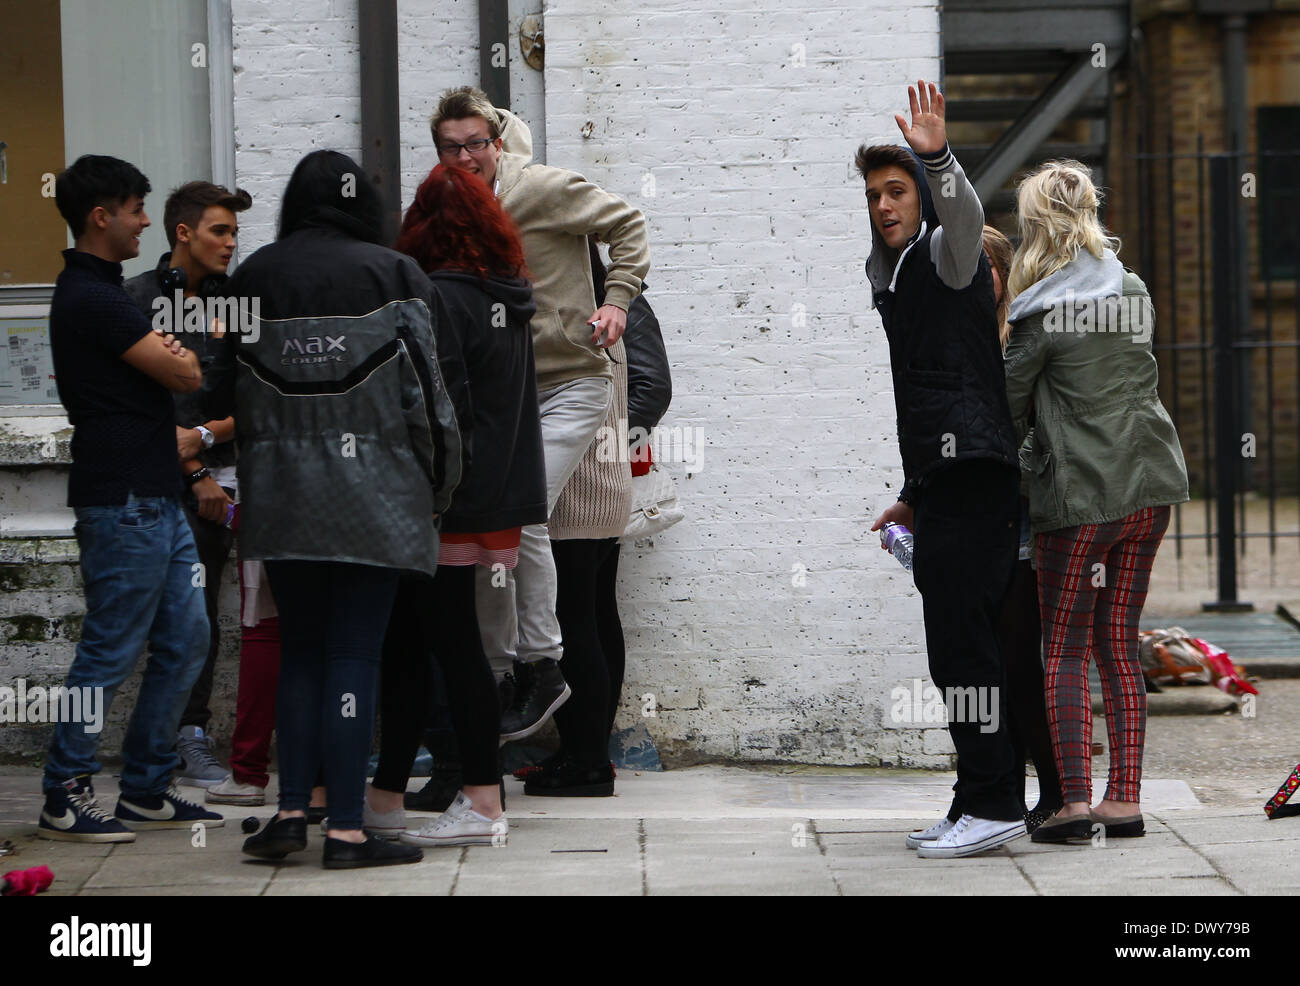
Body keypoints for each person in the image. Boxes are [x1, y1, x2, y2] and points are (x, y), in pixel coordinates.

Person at [205, 150, 464, 869]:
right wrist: (438, 492)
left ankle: (291, 813)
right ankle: (347, 831)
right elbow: (431, 404)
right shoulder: (394, 275)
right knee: (354, 654)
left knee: (301, 656)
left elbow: (218, 390)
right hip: (374, 501)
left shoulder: (252, 276)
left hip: (281, 500)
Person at [428, 87, 651, 742]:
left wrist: (617, 301)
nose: (465, 156)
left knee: (521, 510)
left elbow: (628, 223)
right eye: (451, 147)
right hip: (505, 396)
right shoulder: (451, 212)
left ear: (496, 142)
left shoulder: (544, 188)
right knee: (493, 526)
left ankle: (544, 664)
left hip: (573, 381)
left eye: (475, 143)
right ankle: (504, 671)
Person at [860, 82, 1026, 858]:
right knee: (957, 648)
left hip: (978, 476)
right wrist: (912, 495)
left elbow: (961, 216)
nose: (886, 205)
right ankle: (974, 799)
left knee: (965, 649)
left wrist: (937, 158)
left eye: (897, 192)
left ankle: (995, 801)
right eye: (876, 195)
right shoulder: (892, 275)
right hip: (948, 483)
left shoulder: (946, 254)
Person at [1002, 161, 1188, 844]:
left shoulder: (1041, 309)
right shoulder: (1131, 286)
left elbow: (1008, 409)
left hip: (1082, 496)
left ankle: (1072, 802)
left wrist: (1025, 467)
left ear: (1035, 227)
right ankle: (1126, 801)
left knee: (1064, 649)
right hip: (1150, 488)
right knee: (1118, 644)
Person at [39, 154, 221, 842]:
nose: (147, 222)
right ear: (101, 216)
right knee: (111, 649)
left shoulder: (111, 295)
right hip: (122, 501)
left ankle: (145, 787)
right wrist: (170, 355)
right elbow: (183, 372)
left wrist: (167, 354)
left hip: (155, 496)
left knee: (187, 638)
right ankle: (65, 789)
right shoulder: (92, 297)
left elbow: (175, 364)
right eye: (138, 210)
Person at [364, 162, 545, 846]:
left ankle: (482, 801)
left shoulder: (439, 296)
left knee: (448, 647)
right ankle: (386, 799)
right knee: (417, 641)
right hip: (498, 493)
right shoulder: (506, 294)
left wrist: (429, 496)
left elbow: (443, 410)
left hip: (448, 498)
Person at [521, 241, 671, 795]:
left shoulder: (595, 311)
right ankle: (584, 754)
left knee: (574, 619)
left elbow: (651, 387)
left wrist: (610, 443)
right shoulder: (593, 306)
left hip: (581, 486)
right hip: (596, 484)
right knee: (592, 614)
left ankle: (586, 760)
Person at [124, 181, 252, 789]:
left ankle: (190, 735)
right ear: (184, 233)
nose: (230, 244)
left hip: (221, 483)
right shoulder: (136, 299)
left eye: (233, 232)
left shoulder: (239, 304)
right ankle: (157, 745)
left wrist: (204, 441)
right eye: (218, 231)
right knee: (147, 616)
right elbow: (134, 406)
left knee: (201, 611)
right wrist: (194, 470)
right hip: (151, 484)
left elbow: (259, 400)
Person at [983, 225, 1063, 833]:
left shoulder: (1015, 337)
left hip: (1020, 522)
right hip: (981, 521)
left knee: (1019, 660)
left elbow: (1032, 427)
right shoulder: (963, 338)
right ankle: (1006, 786)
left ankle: (1055, 787)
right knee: (992, 661)